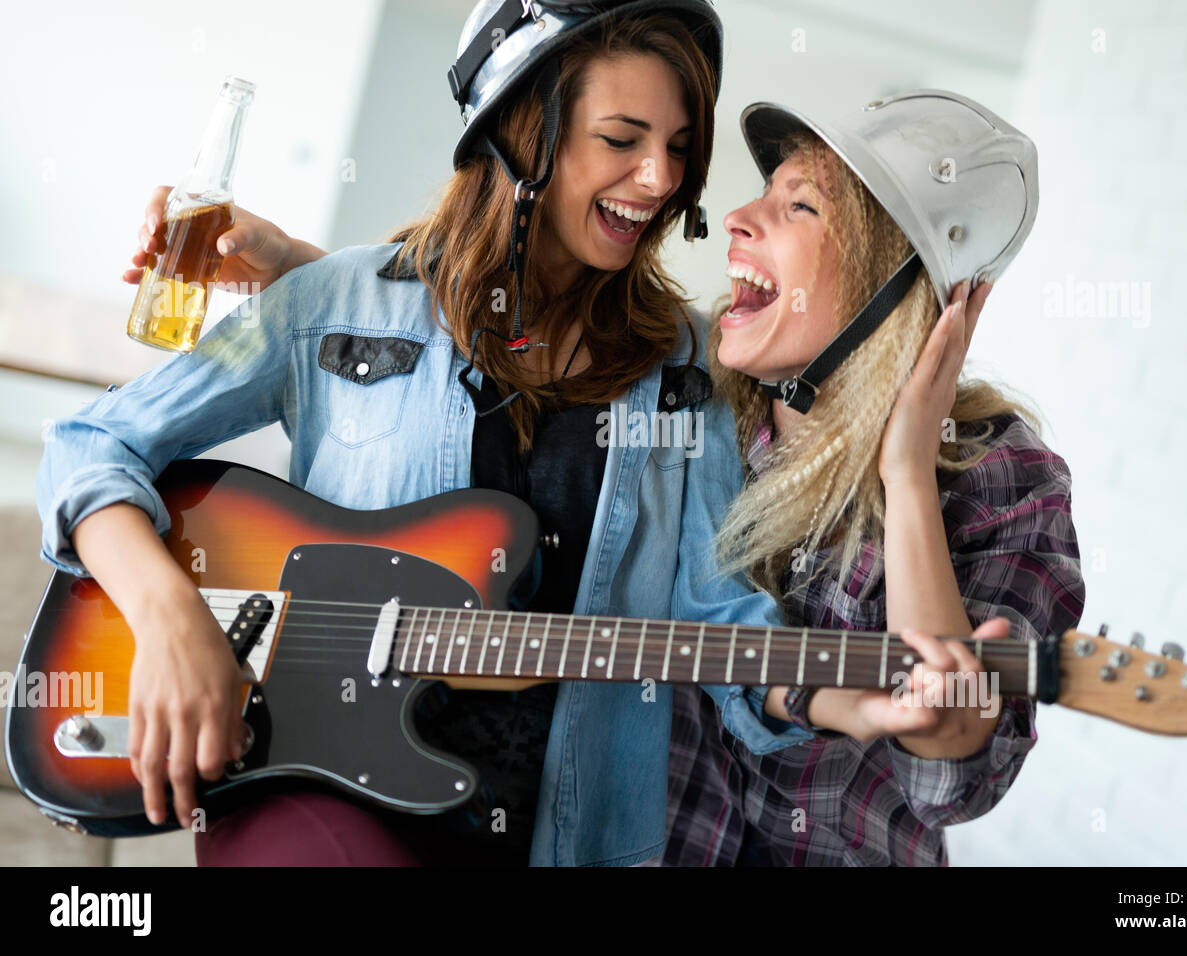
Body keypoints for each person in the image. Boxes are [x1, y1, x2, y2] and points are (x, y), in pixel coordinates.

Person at [38, 0, 824, 868]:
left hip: (563, 839)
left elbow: (723, 618)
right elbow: (91, 445)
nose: (659, 177)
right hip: (312, 792)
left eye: (677, 147)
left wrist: (837, 695)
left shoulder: (687, 364)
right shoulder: (337, 299)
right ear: (520, 131)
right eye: (620, 139)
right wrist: (171, 619)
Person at [656, 93, 1087, 866]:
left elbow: (951, 783)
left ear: (890, 285)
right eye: (765, 192)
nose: (739, 219)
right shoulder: (686, 396)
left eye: (800, 205)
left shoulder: (1006, 477)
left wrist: (908, 474)